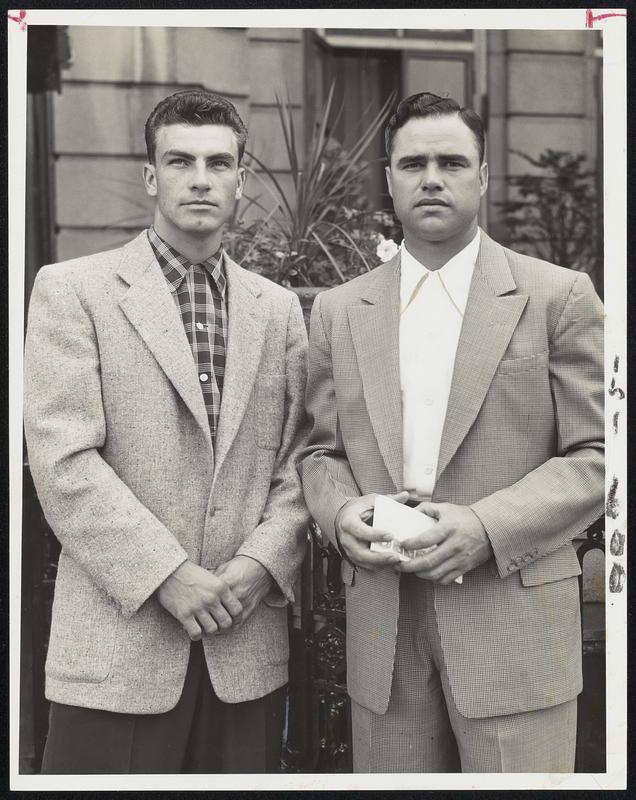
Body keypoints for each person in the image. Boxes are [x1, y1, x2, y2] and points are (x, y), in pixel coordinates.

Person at [300, 92, 604, 773]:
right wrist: (342, 510)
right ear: (390, 178)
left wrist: (486, 528)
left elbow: (599, 455)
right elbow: (319, 451)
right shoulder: (341, 312)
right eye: (413, 163)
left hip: (513, 627)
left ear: (483, 176)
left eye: (451, 161)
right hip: (385, 630)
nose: (431, 177)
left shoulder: (560, 297)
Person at [24, 89, 309, 774]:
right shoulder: (74, 290)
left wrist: (260, 564)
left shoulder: (279, 311)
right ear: (152, 176)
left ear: (241, 179)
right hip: (117, 649)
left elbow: (304, 461)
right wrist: (166, 574)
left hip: (245, 648)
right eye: (180, 161)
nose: (201, 179)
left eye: (220, 163)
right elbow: (63, 460)